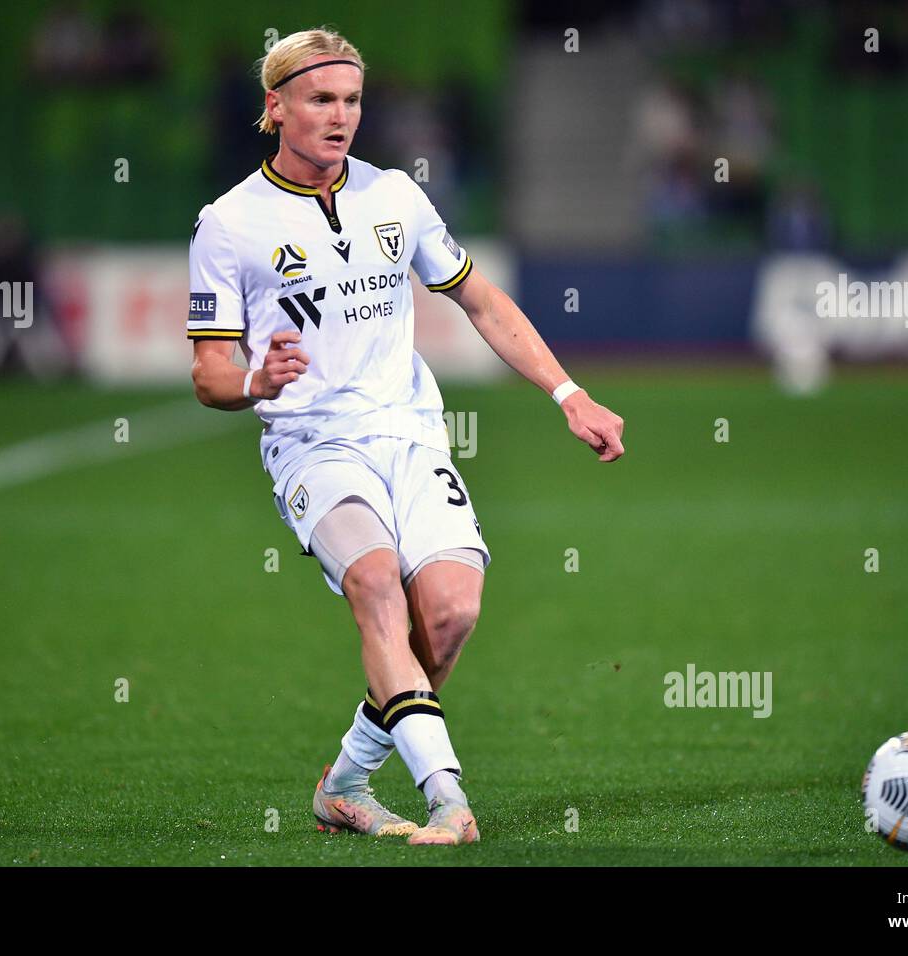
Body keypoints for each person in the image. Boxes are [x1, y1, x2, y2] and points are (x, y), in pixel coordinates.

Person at [189, 28, 624, 846]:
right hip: (313, 444)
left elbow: (483, 301)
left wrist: (569, 394)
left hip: (413, 434)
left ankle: (345, 782)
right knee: (379, 585)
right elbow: (209, 373)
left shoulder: (395, 195)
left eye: (352, 100)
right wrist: (255, 381)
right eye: (321, 99)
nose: (340, 115)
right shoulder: (229, 225)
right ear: (275, 106)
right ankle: (448, 802)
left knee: (451, 615)